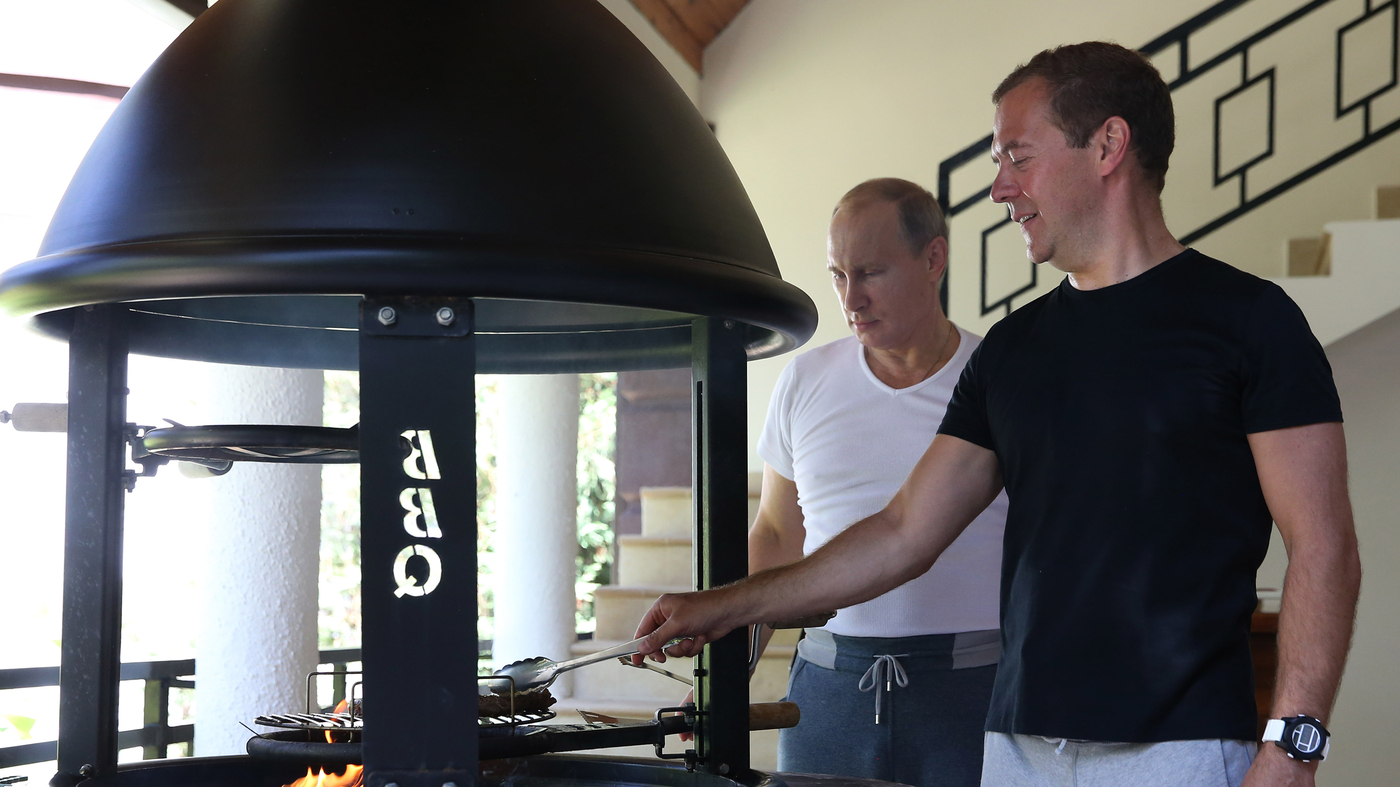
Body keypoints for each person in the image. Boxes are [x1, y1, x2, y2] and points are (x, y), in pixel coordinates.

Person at [634, 42, 1361, 787]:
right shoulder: (1014, 349)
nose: (999, 189)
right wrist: (724, 604)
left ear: (1108, 145)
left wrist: (1294, 746)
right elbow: (903, 532)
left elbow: (1324, 546)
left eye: (1018, 156)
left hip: (1180, 752)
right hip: (1017, 751)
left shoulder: (1251, 321)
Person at [740, 178, 1006, 786]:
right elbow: (779, 532)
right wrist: (733, 670)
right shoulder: (805, 379)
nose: (850, 298)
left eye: (870, 273)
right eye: (838, 275)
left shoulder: (996, 376)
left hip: (972, 686)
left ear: (933, 259)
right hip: (828, 689)